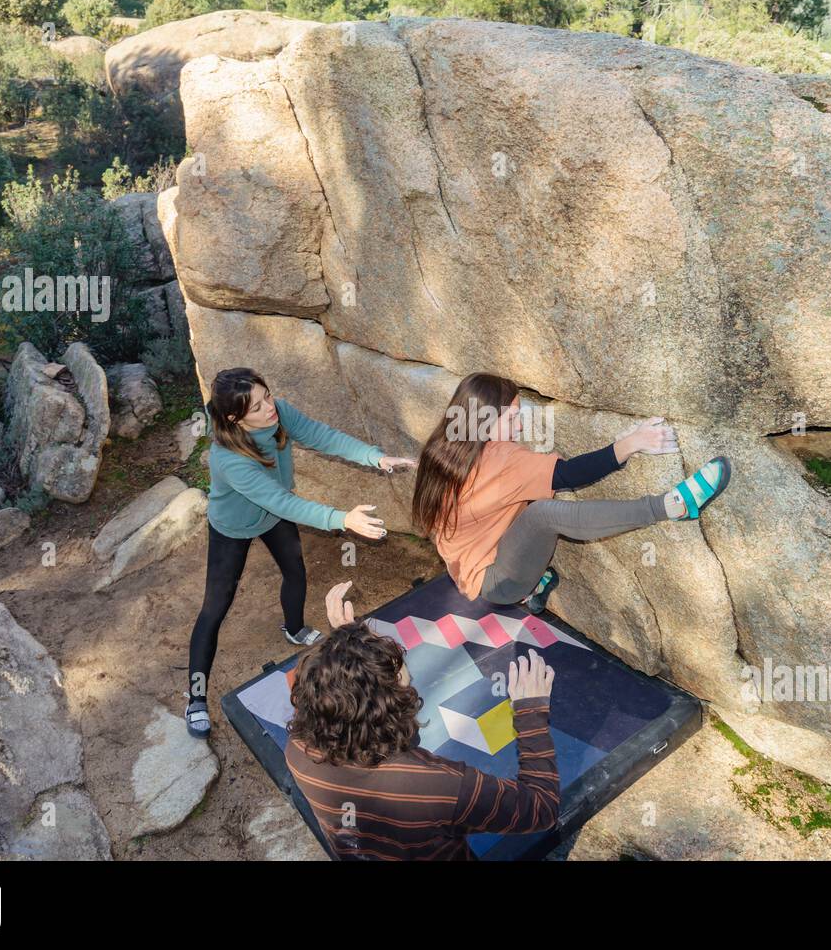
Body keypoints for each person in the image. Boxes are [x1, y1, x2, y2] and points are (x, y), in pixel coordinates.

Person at [184, 368, 417, 738]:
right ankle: (196, 697)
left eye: (268, 395)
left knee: (295, 570)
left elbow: (322, 436)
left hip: (274, 514)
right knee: (215, 608)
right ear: (234, 418)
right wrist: (342, 519)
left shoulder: (278, 414)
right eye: (256, 406)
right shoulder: (226, 458)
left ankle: (293, 628)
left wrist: (376, 457)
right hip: (233, 527)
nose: (269, 408)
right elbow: (278, 500)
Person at [284, 581, 560, 860]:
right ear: (389, 710)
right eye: (405, 683)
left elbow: (342, 699)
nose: (410, 686)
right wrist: (531, 713)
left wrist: (350, 646)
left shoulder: (298, 748)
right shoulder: (441, 787)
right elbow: (542, 808)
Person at [411, 372, 731, 610]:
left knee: (533, 494)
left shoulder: (444, 448)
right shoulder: (501, 459)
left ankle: (534, 586)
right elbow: (570, 475)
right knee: (542, 513)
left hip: (469, 572)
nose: (519, 426)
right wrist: (631, 443)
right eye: (513, 417)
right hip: (498, 583)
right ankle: (672, 506)